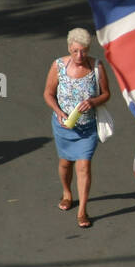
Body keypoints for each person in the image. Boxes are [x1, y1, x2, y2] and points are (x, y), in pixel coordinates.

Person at [45, 28, 111, 228]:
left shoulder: (97, 67)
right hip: (64, 126)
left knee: (84, 166)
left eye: (83, 51)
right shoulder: (58, 66)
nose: (79, 55)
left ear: (88, 49)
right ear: (69, 48)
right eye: (75, 51)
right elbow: (48, 94)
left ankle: (82, 210)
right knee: (66, 163)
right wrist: (58, 111)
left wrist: (93, 102)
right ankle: (67, 192)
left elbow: (106, 93)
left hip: (87, 128)